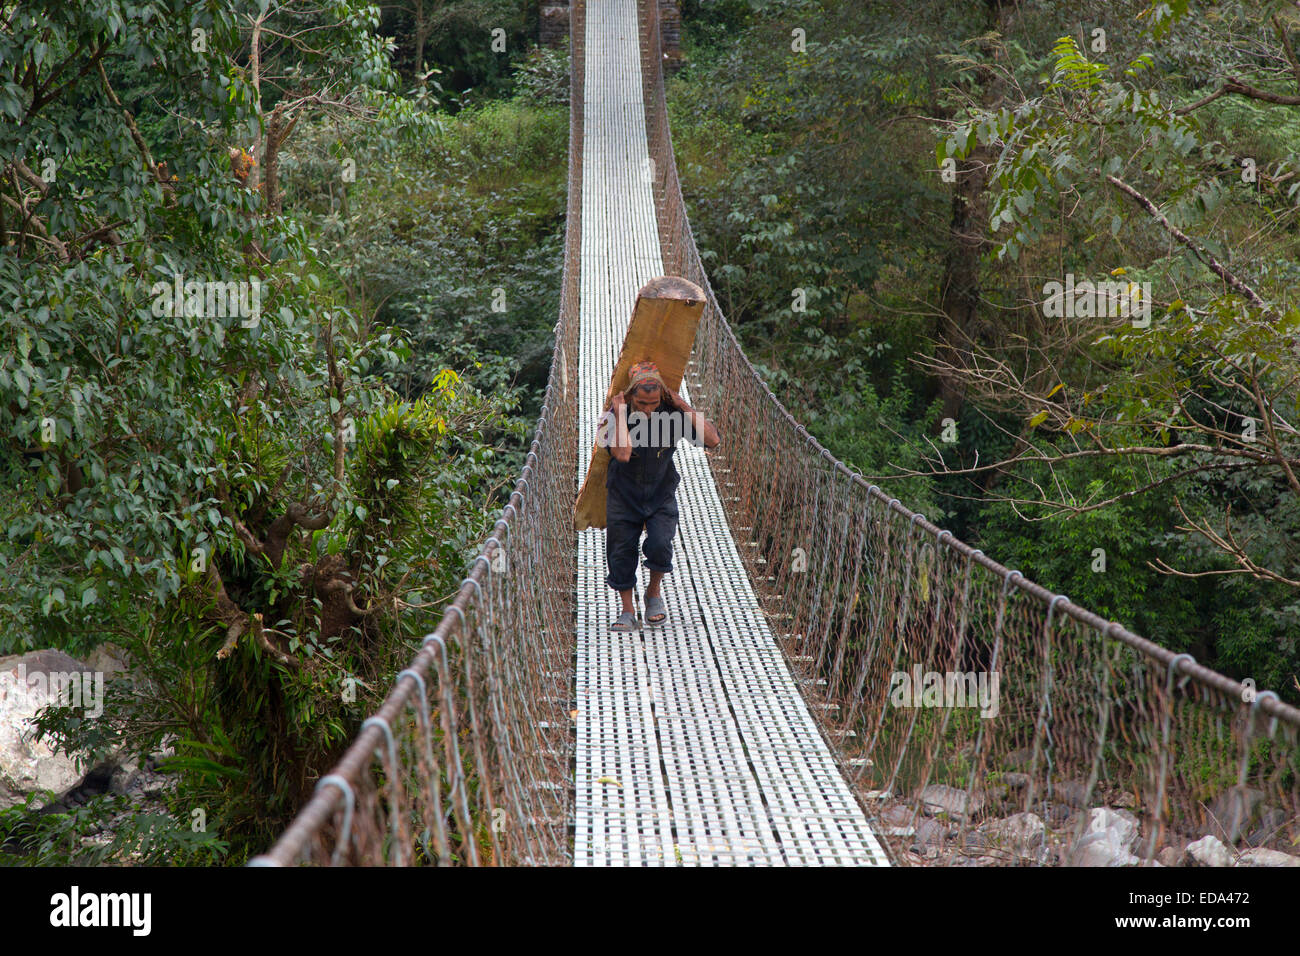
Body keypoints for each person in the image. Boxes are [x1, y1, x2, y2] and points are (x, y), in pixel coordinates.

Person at [600, 361, 720, 630]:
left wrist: (684, 406)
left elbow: (712, 441)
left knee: (660, 544)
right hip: (623, 494)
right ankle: (628, 611)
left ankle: (653, 594)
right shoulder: (613, 415)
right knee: (620, 551)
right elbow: (622, 454)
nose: (648, 409)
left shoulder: (672, 413)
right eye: (642, 403)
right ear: (631, 396)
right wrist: (620, 414)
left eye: (654, 403)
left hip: (660, 491)